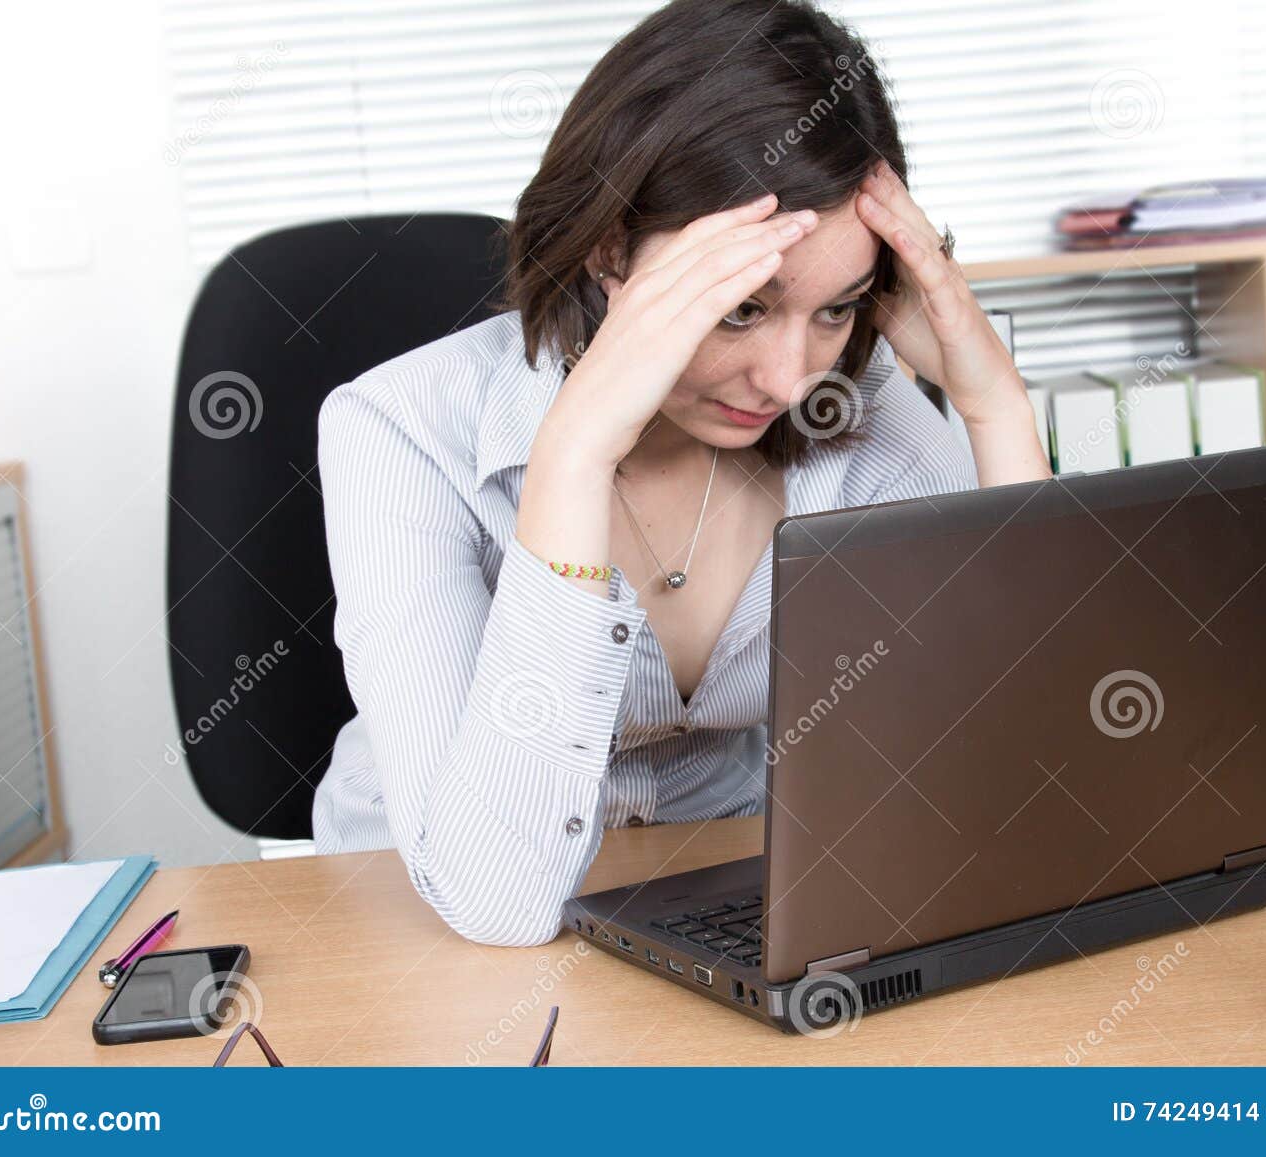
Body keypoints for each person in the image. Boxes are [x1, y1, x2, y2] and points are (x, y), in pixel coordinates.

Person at [311, 0, 1051, 945]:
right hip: (416, 918)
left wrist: (997, 407)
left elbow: (1038, 782)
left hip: (722, 889)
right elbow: (498, 902)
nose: (791, 380)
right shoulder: (398, 428)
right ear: (611, 249)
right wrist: (573, 456)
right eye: (742, 309)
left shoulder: (851, 401)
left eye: (838, 310)